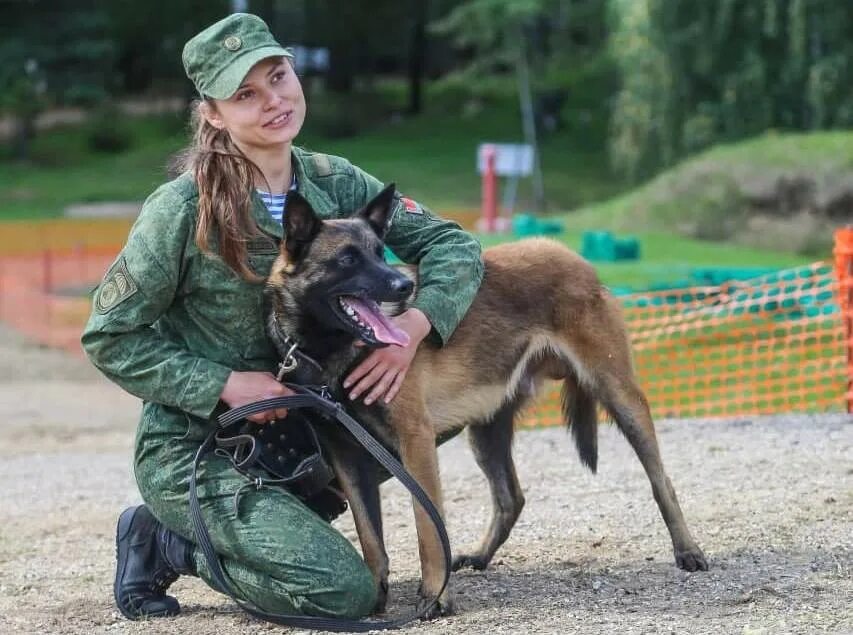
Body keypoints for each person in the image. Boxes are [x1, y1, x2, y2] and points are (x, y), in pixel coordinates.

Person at [81, 12, 483, 622]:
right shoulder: (181, 211)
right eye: (246, 94)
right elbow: (109, 335)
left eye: (279, 77)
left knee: (421, 422)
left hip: (303, 428)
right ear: (213, 113)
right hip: (203, 444)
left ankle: (286, 519)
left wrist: (417, 327)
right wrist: (224, 384)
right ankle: (168, 539)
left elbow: (452, 244)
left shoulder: (334, 181)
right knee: (342, 594)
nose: (274, 100)